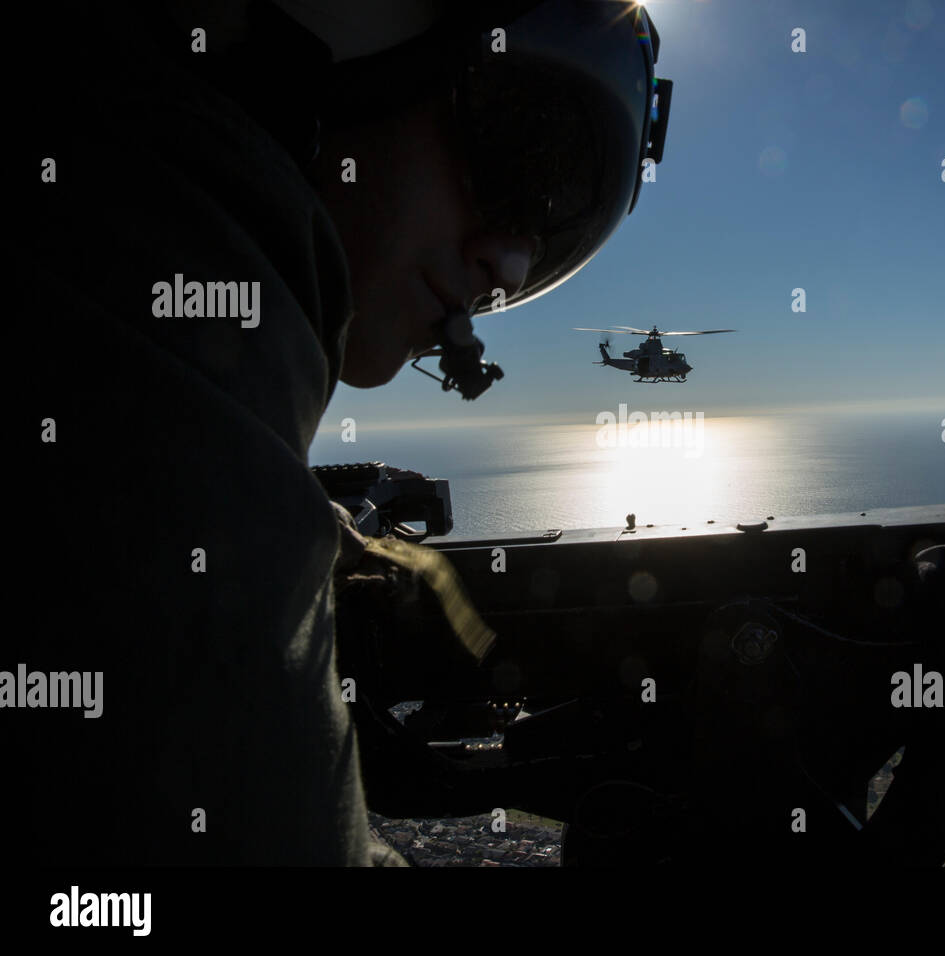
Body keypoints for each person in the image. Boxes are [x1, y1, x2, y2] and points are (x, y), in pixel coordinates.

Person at [13, 0, 671, 865]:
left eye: (549, 240)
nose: (511, 265)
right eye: (521, 159)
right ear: (352, 23)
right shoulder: (142, 292)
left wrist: (318, 540)